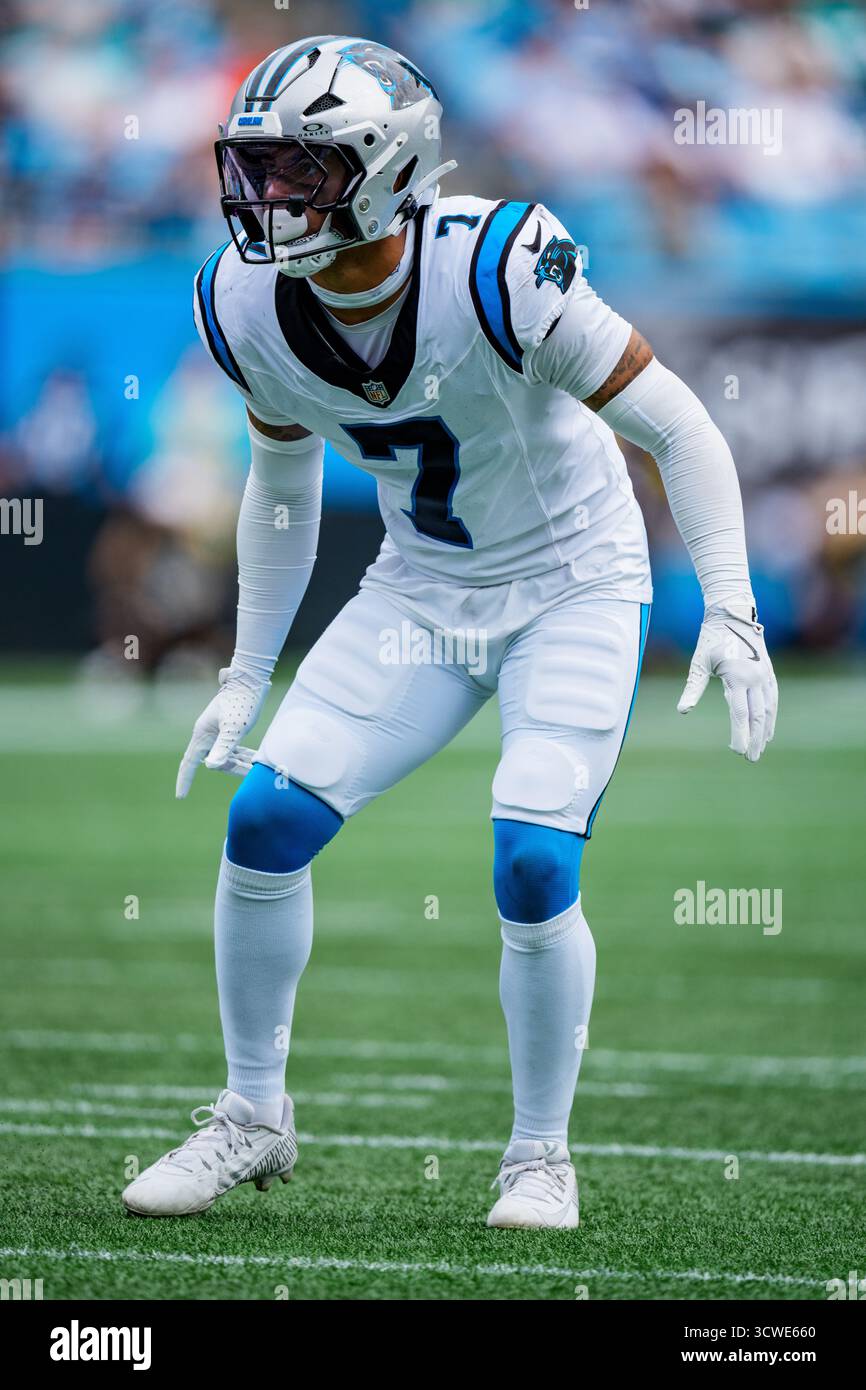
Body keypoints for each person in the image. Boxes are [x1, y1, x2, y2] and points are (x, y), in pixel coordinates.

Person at [122, 36, 777, 1228]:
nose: (266, 201)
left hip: (573, 581)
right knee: (264, 818)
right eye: (255, 170)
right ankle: (253, 1116)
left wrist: (730, 603)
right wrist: (245, 670)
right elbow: (279, 485)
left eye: (298, 171)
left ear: (382, 171)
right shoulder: (241, 300)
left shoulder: (497, 266)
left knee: (531, 855)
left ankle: (539, 1155)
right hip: (421, 585)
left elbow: (677, 427)